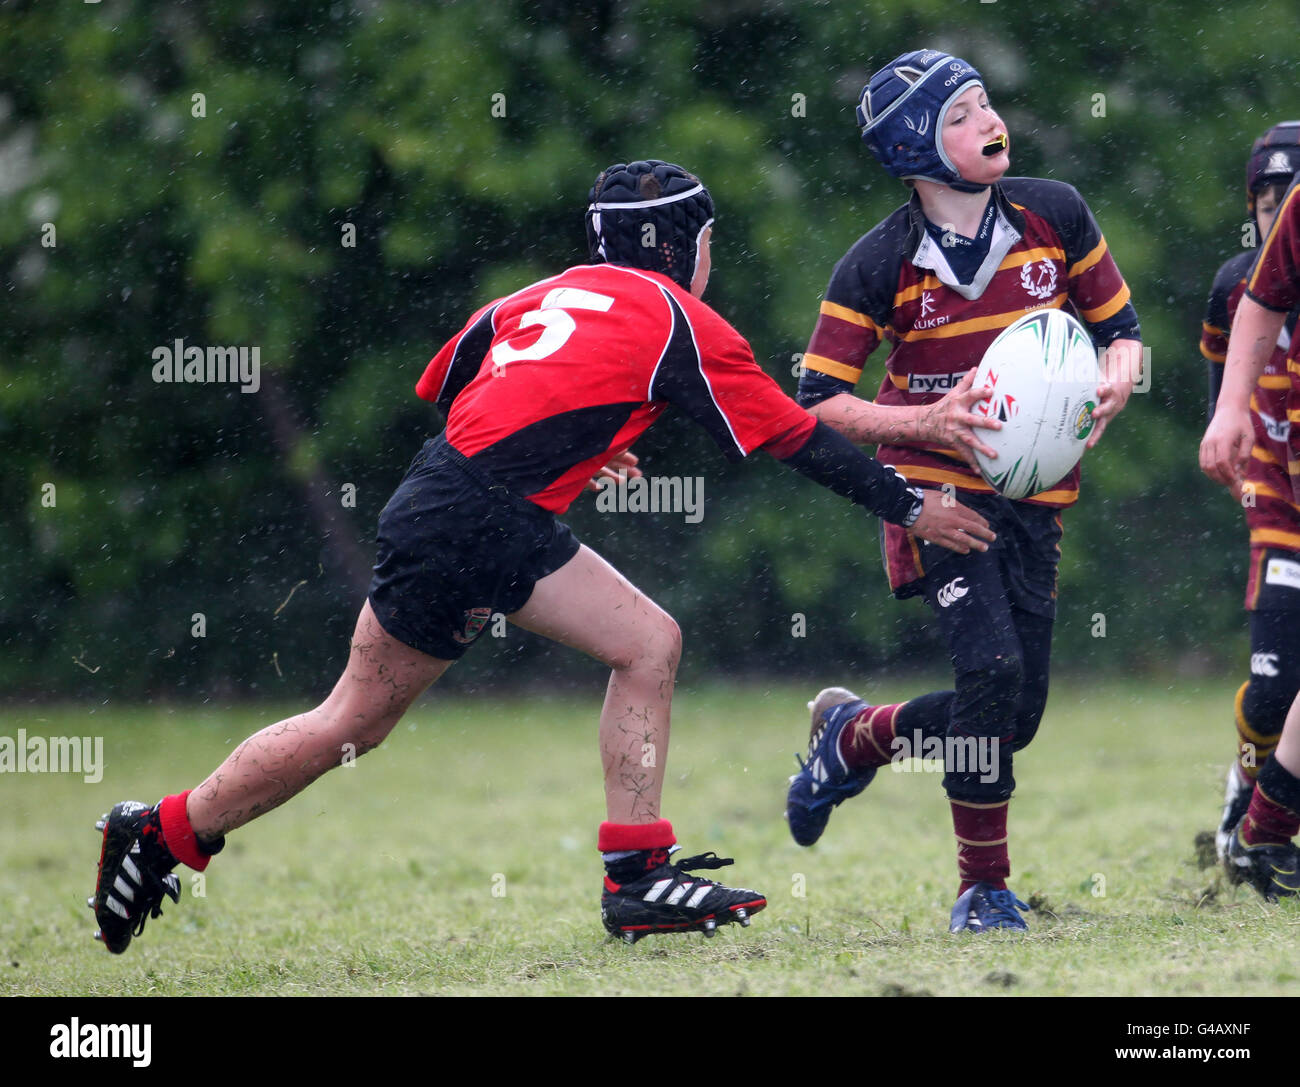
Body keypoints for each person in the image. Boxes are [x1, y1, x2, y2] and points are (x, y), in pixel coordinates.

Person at [90, 159, 1000, 953]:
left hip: (437, 496)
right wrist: (911, 503)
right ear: (685, 245)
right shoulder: (681, 317)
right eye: (708, 241)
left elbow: (449, 381)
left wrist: (583, 438)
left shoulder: (543, 292)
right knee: (642, 646)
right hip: (486, 514)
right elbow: (798, 437)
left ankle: (161, 831)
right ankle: (636, 877)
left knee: (354, 720)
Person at [783, 50, 1143, 933]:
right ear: (915, 144)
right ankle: (982, 888)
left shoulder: (1054, 213)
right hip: (936, 500)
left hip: (1038, 496)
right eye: (962, 113)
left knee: (1014, 716)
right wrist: (927, 422)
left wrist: (1120, 377)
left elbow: (1122, 331)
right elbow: (819, 402)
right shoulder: (877, 264)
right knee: (988, 672)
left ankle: (858, 735)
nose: (991, 121)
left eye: (988, 103)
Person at [1198, 123, 1300, 866]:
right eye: (1267, 199)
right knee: (1272, 689)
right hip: (1274, 494)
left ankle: (1261, 834)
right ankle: (1247, 792)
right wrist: (1222, 423)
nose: (1279, 209)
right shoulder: (1238, 283)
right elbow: (1220, 362)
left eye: (1287, 195)